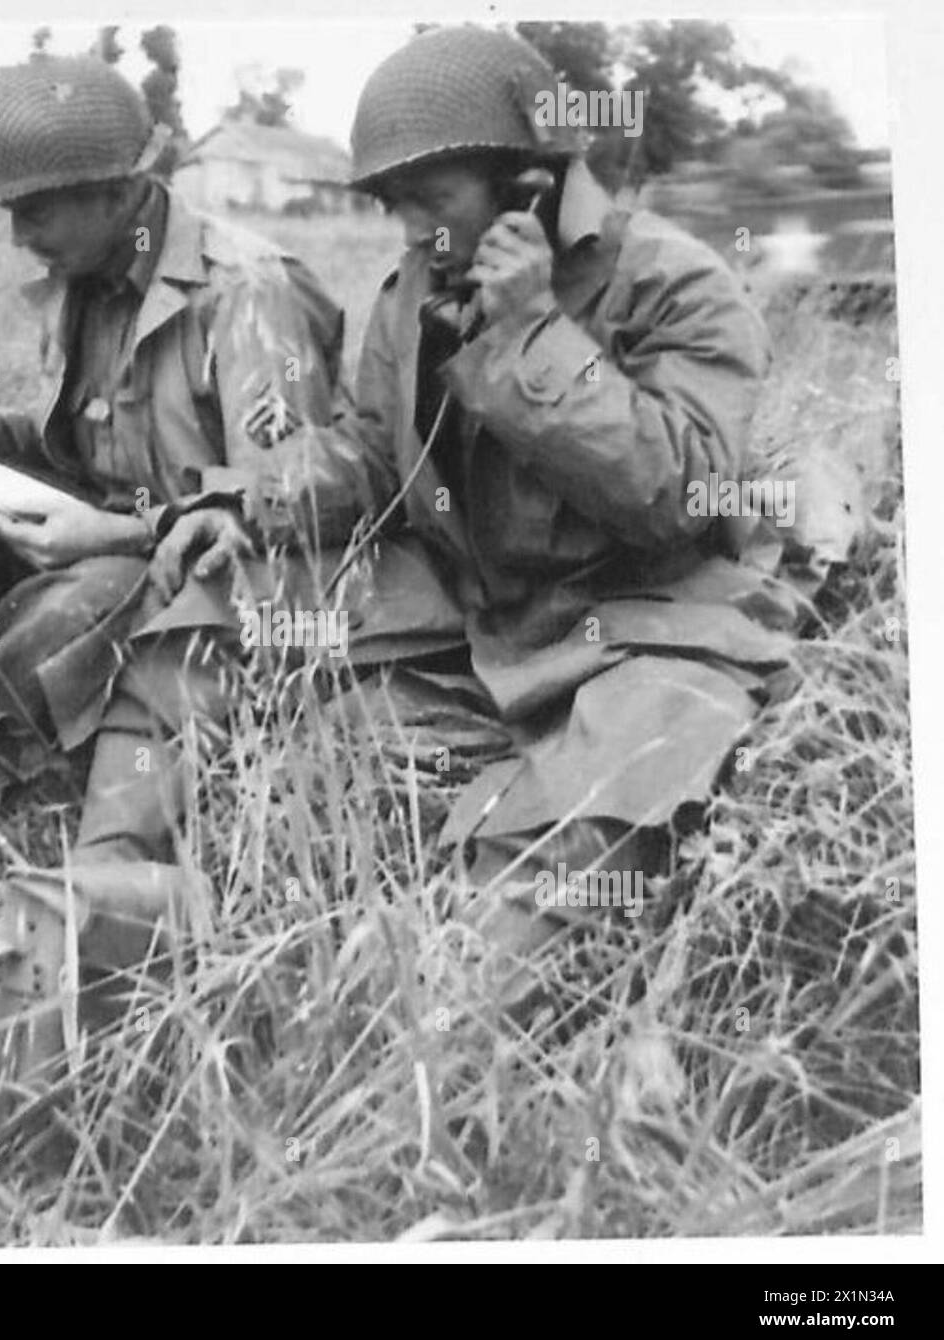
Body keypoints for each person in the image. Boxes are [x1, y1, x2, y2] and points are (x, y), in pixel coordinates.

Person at [171, 24, 801, 980]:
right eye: (399, 209)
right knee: (234, 639)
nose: (415, 233)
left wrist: (532, 333)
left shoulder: (675, 283)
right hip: (485, 620)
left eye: (434, 203)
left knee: (528, 911)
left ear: (530, 187)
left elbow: (682, 496)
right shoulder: (418, 287)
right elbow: (372, 450)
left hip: (651, 631)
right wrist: (253, 501)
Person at [0, 55, 344, 1084]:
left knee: (94, 593)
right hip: (94, 531)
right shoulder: (87, 285)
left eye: (38, 211)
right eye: (7, 214)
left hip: (195, 572)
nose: (20, 238)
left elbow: (285, 509)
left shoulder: (248, 294)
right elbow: (89, 456)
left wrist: (111, 540)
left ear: (119, 190)